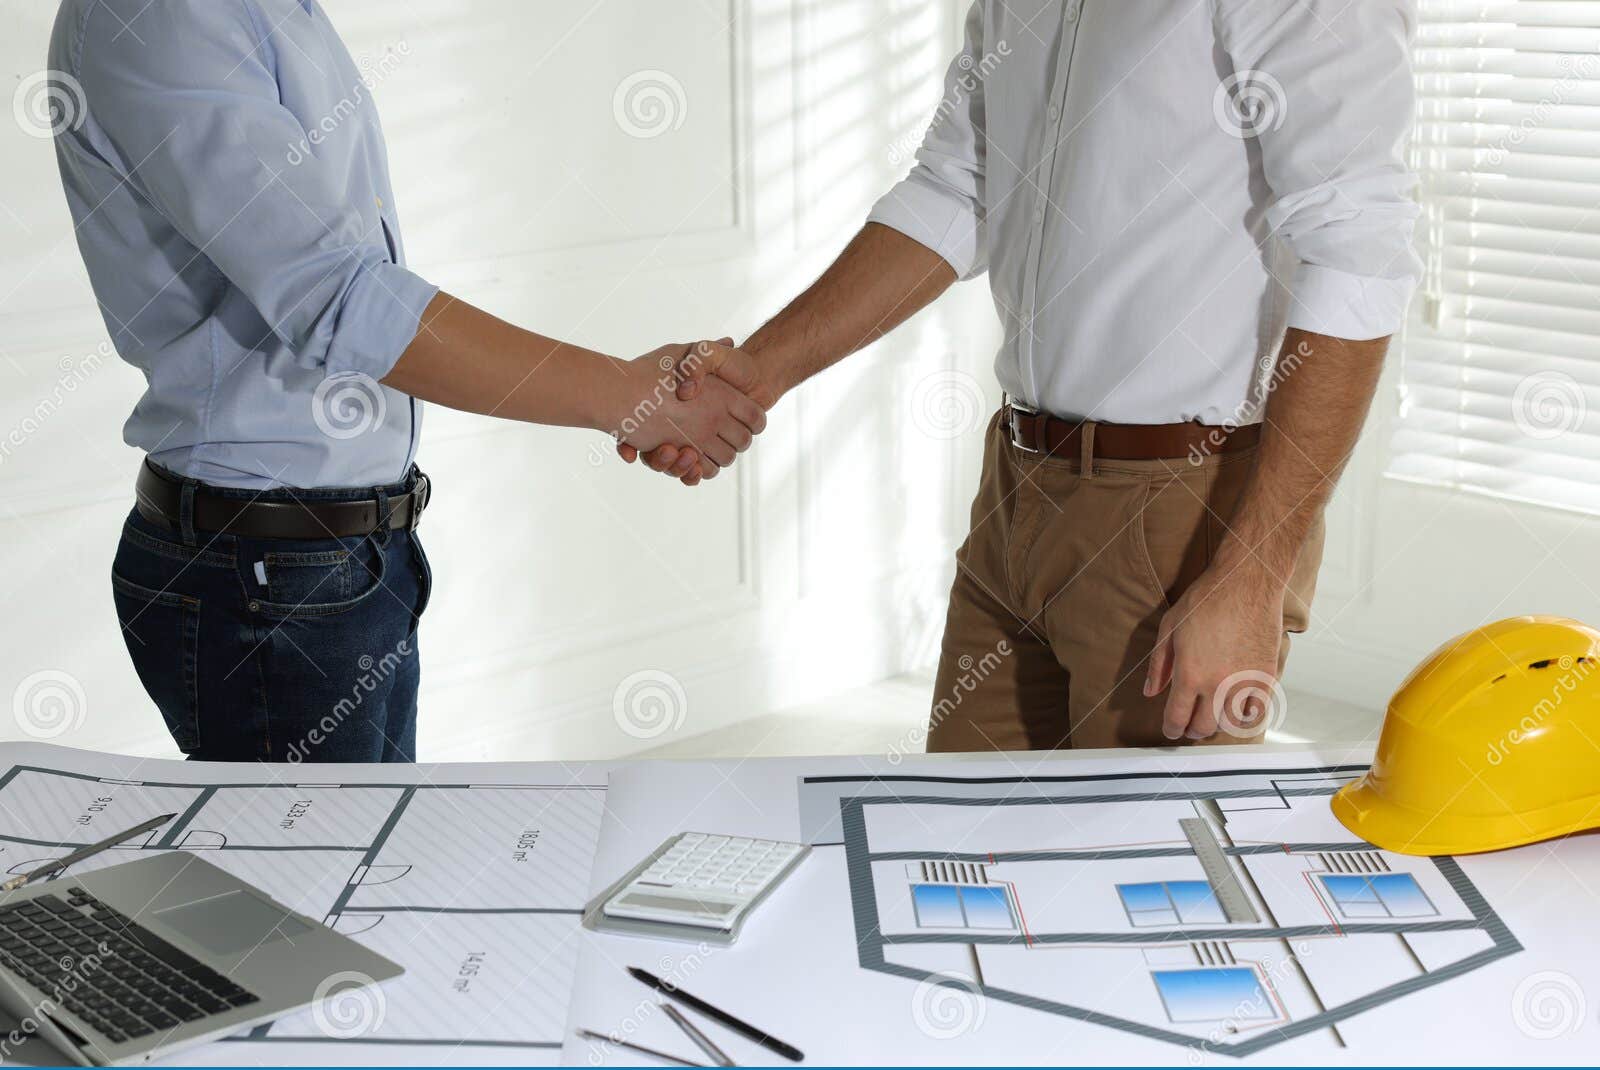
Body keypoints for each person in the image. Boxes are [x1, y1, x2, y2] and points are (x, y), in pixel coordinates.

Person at [631, 0, 1422, 750]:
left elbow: (1357, 249)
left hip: (1184, 511)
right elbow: (959, 188)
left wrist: (1253, 577)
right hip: (1016, 491)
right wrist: (755, 372)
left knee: (1137, 868)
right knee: (957, 856)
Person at [48, 0, 763, 762]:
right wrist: (629, 396)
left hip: (341, 558)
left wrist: (638, 394)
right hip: (266, 575)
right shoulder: (162, 14)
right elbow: (341, 296)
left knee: (368, 872)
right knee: (309, 879)